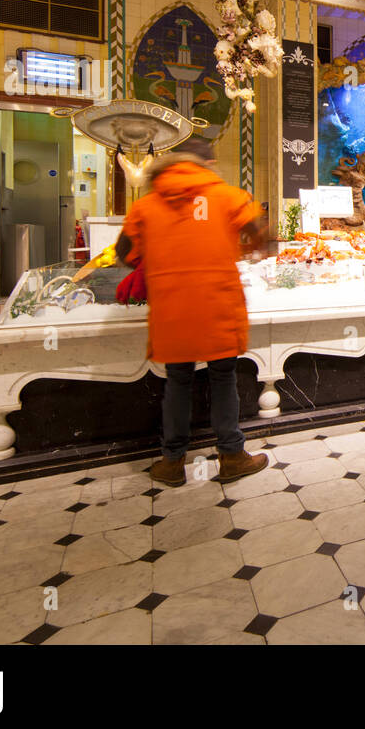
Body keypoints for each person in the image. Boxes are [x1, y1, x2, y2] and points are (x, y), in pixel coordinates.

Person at [117, 136, 269, 487]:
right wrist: (247, 251)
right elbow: (262, 234)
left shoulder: (145, 205)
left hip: (171, 309)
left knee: (178, 381)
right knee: (222, 378)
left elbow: (125, 254)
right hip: (218, 305)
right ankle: (231, 455)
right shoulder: (229, 197)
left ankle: (172, 463)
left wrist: (158, 261)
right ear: (209, 165)